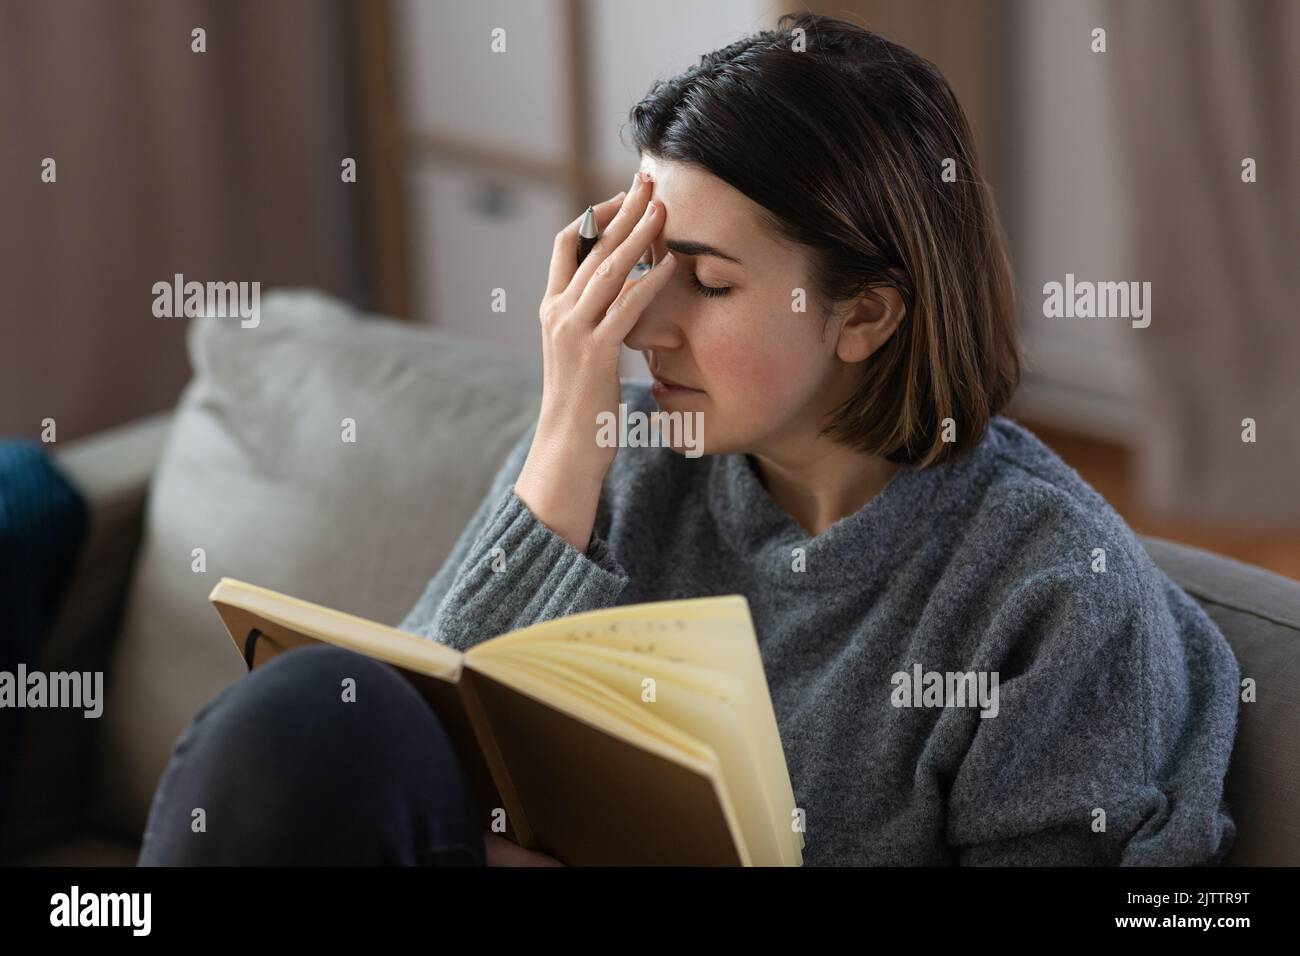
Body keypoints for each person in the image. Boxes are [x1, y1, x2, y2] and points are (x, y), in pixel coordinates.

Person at [140, 12, 1239, 867]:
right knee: (311, 715)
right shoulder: (634, 459)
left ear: (865, 313)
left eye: (706, 280)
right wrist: (567, 432)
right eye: (639, 261)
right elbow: (406, 739)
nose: (645, 322)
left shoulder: (1046, 589)